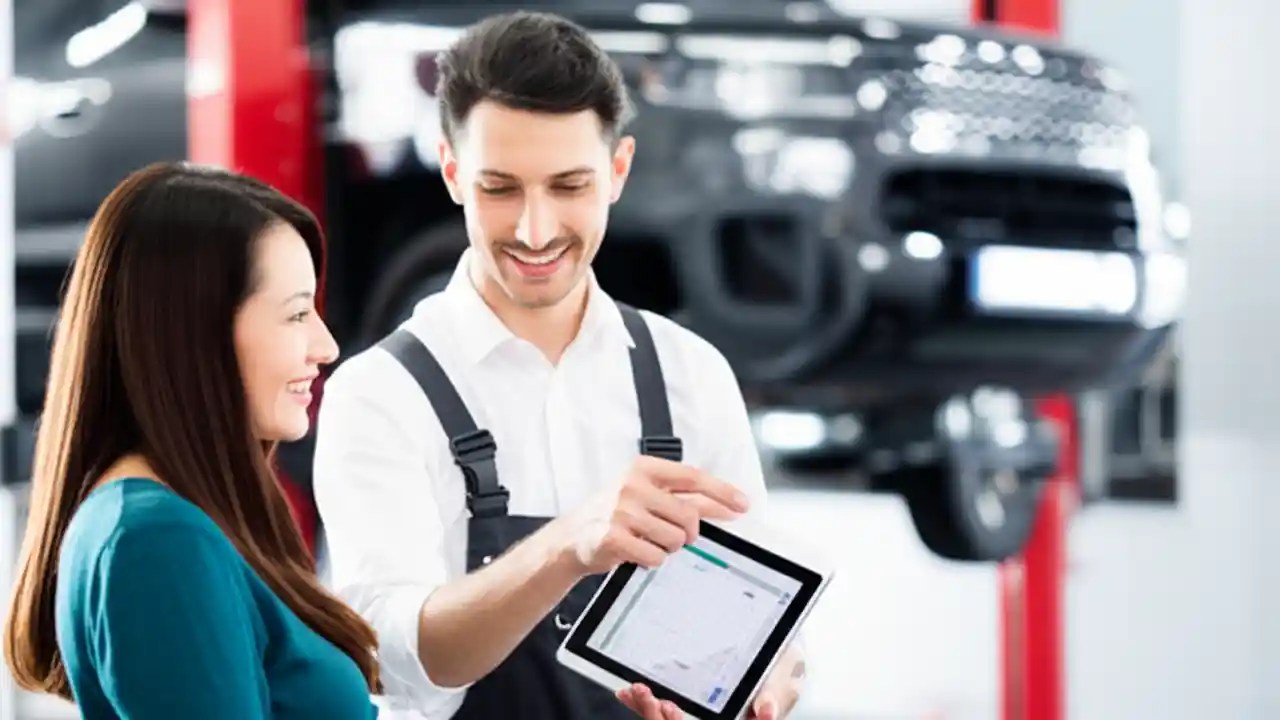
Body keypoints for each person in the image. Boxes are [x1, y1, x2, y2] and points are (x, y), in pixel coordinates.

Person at [312, 10, 807, 720]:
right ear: (452, 171)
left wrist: (770, 676)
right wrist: (569, 545)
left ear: (618, 170)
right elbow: (392, 664)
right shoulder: (380, 394)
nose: (535, 230)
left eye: (569, 186)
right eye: (500, 188)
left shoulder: (691, 375)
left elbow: (762, 615)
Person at [2, 162, 381, 719]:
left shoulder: (161, 519)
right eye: (297, 314)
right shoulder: (155, 539)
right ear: (197, 332)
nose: (325, 346)